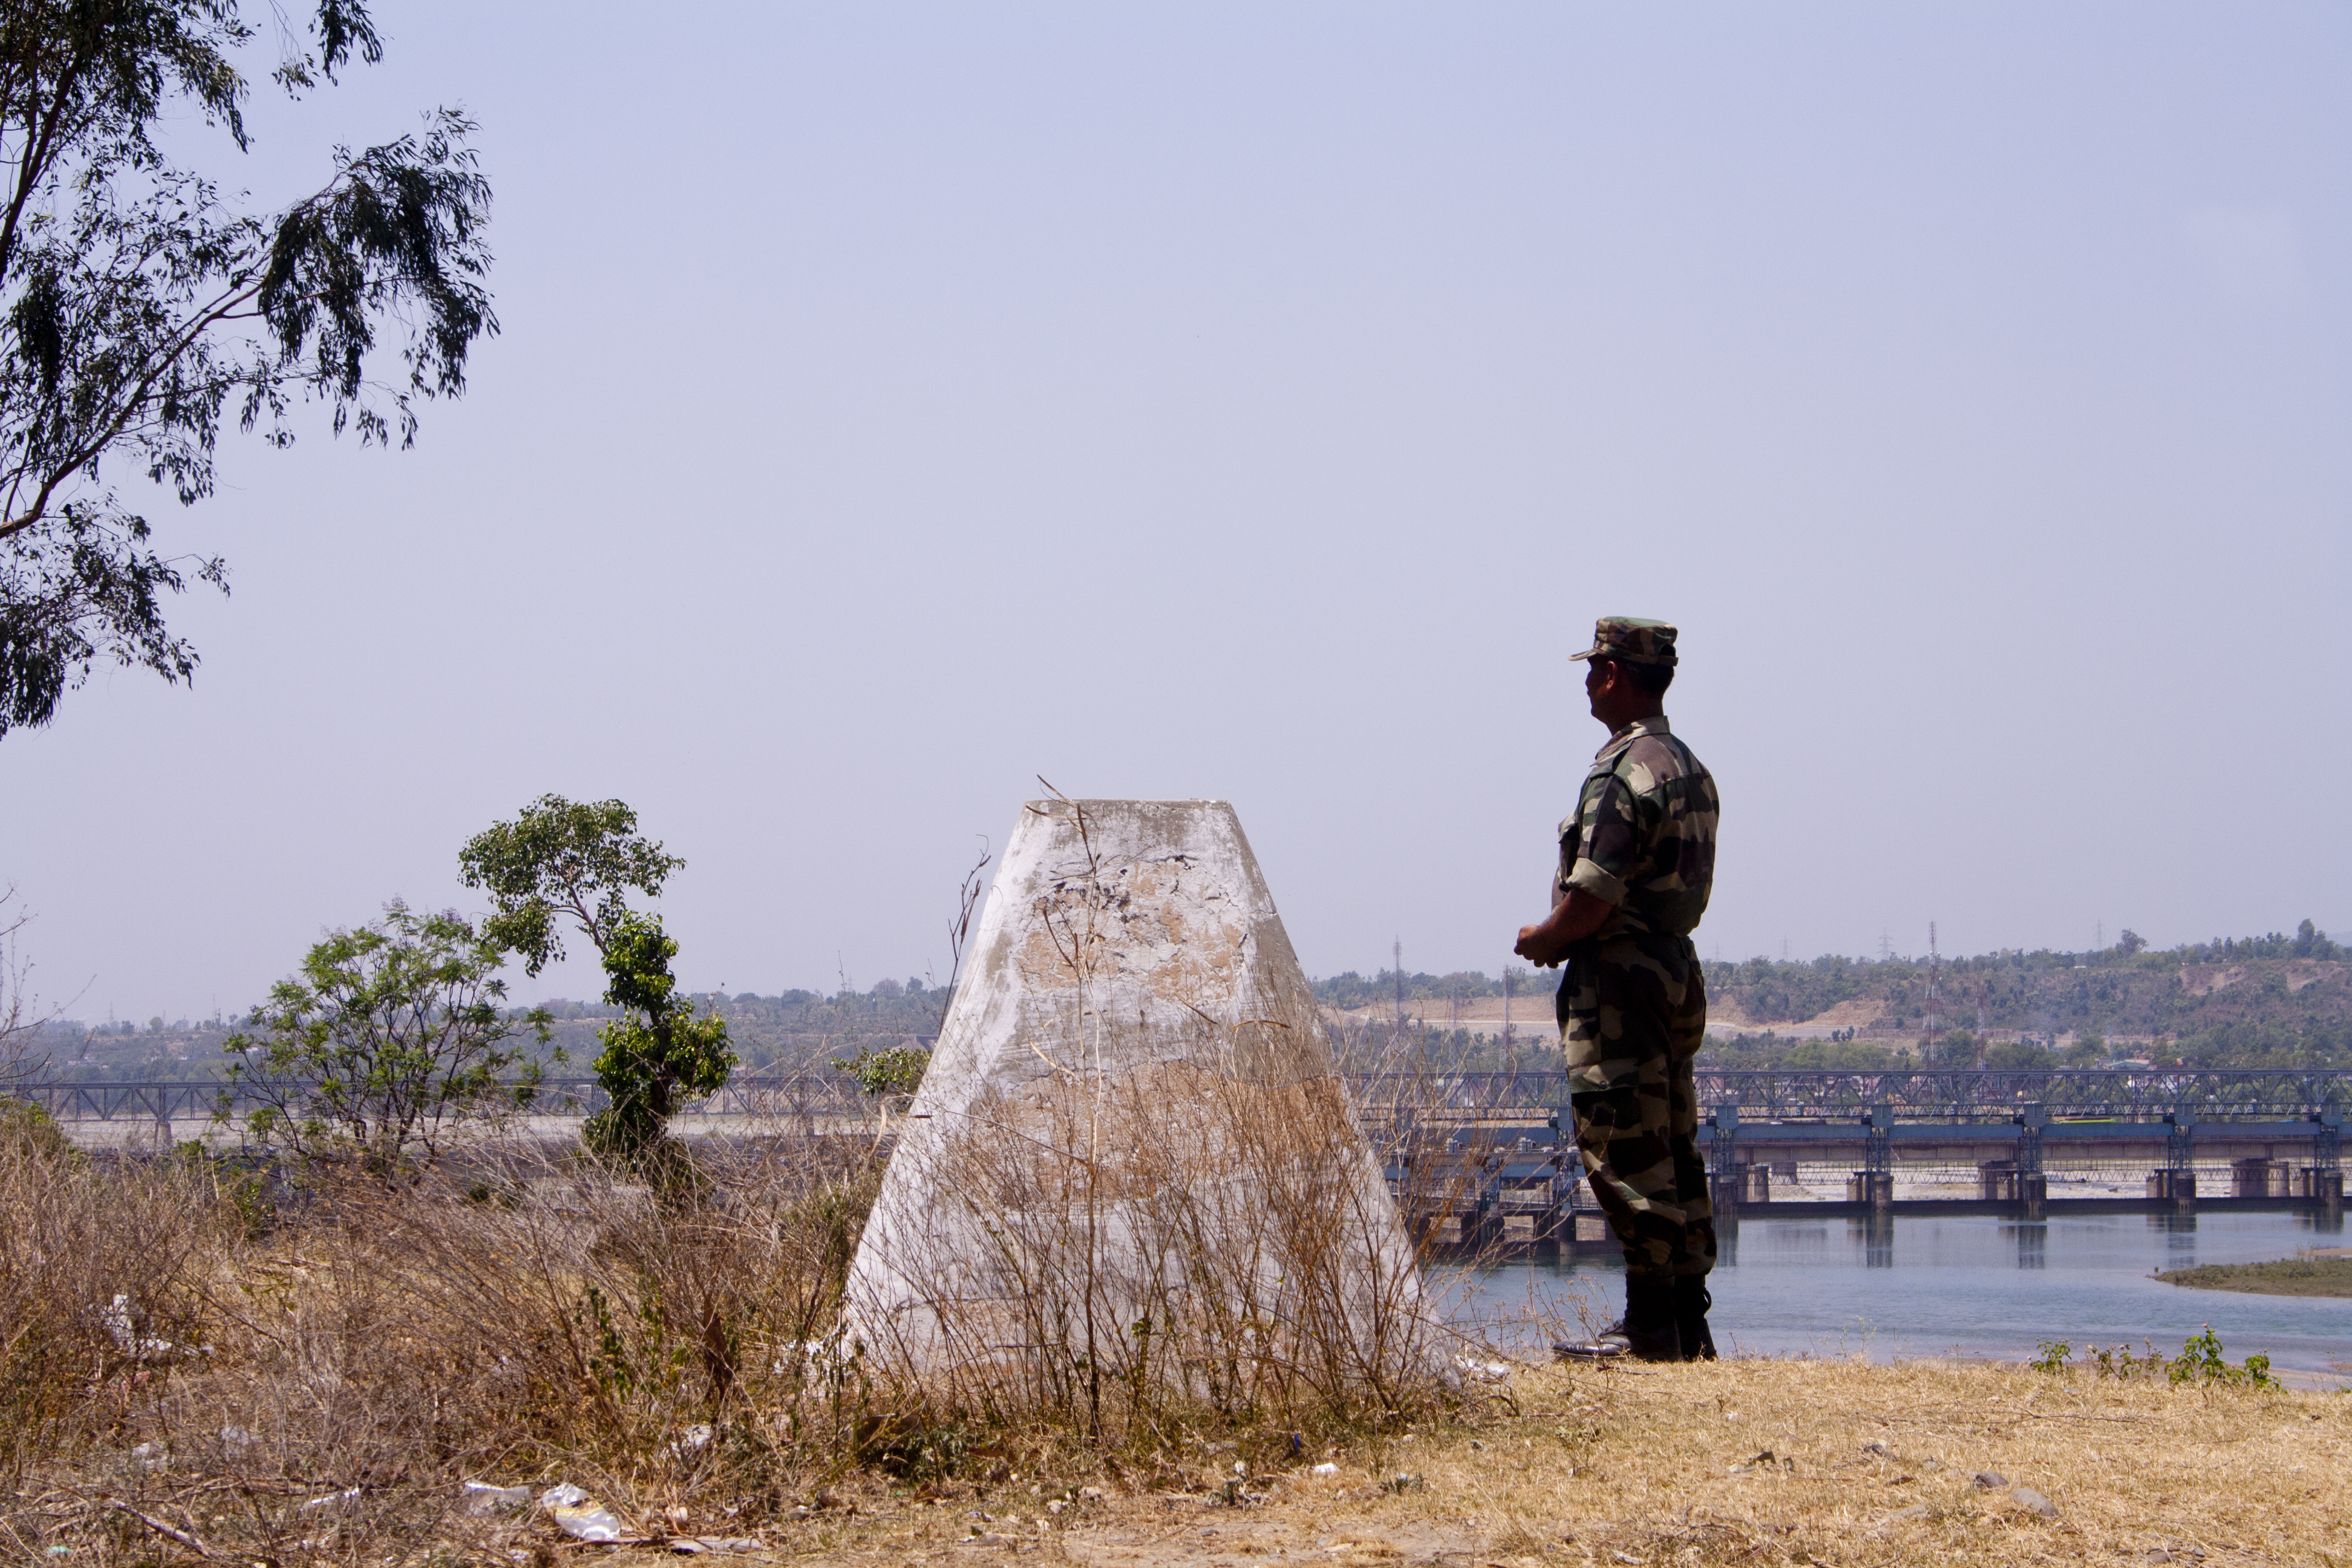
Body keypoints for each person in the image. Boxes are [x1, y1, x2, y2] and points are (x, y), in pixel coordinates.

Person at [1515, 616, 1720, 1362]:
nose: (1588, 679)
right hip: (1673, 971)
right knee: (1671, 1139)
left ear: (1616, 675)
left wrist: (1546, 939)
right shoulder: (1687, 766)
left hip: (1621, 981)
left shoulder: (1623, 772)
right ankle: (1684, 1319)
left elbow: (1593, 896)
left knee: (1623, 1145)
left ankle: (1648, 1329)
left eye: (1596, 666)